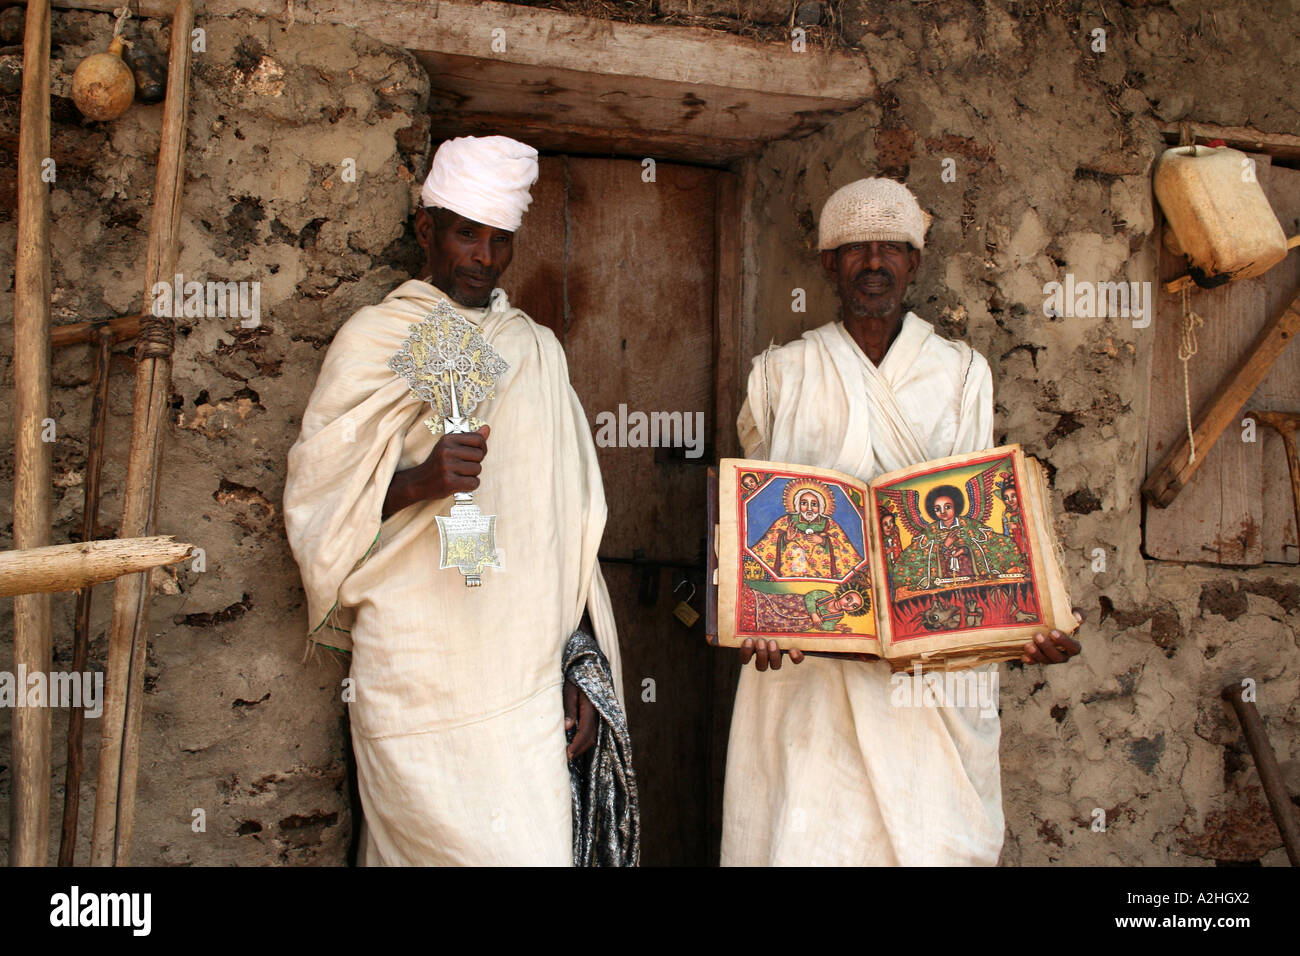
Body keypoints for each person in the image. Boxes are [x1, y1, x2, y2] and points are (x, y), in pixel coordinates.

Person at [283, 135, 633, 866]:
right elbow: (318, 501)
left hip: (521, 677)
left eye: (499, 240)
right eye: (466, 234)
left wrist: (580, 663)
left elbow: (568, 530)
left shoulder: (534, 350)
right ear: (426, 233)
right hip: (415, 671)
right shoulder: (378, 339)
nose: (483, 256)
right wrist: (420, 482)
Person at [722, 177, 1081, 866]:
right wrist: (758, 614)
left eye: (892, 248)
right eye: (857, 249)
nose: (875, 262)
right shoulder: (783, 374)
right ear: (830, 263)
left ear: (915, 263)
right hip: (811, 669)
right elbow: (755, 526)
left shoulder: (960, 373)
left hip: (930, 672)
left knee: (924, 839)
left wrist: (1026, 621)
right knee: (806, 834)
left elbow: (985, 526)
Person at [749, 477, 862, 579]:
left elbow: (843, 546)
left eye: (814, 504)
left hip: (821, 572)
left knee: (819, 549)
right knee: (793, 547)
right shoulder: (787, 520)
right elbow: (769, 542)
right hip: (793, 571)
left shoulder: (828, 523)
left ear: (820, 507)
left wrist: (823, 541)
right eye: (804, 503)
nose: (809, 508)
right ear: (797, 505)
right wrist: (786, 538)